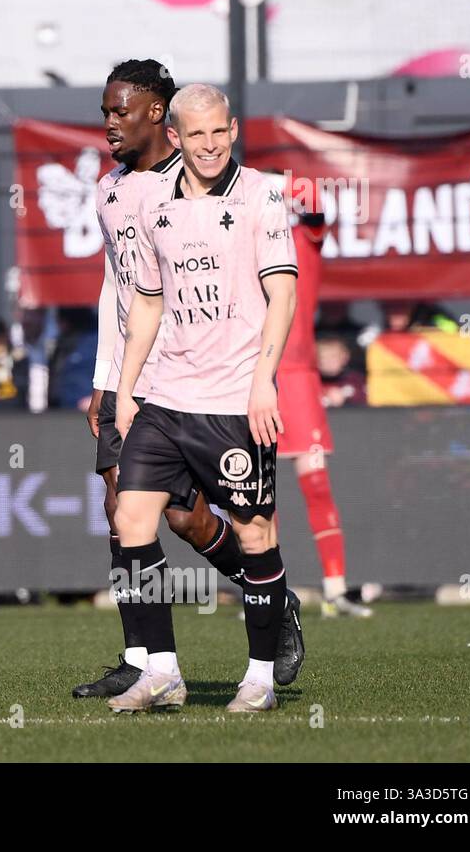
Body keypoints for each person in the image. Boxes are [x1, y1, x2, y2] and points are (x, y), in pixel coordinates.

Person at [75, 61, 303, 699]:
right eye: (105, 111)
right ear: (178, 132)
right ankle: (146, 659)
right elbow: (122, 287)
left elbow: (278, 289)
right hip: (148, 384)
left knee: (194, 522)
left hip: (221, 389)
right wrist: (111, 380)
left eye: (121, 110)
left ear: (158, 116)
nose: (110, 123)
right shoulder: (117, 193)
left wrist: (263, 379)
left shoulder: (238, 190)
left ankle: (270, 601)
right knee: (124, 511)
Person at [275, 185, 372, 617]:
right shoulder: (239, 239)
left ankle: (336, 587)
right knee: (256, 492)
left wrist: (277, 183)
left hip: (296, 377)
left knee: (315, 482)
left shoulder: (303, 237)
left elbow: (314, 201)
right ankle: (267, 592)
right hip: (251, 375)